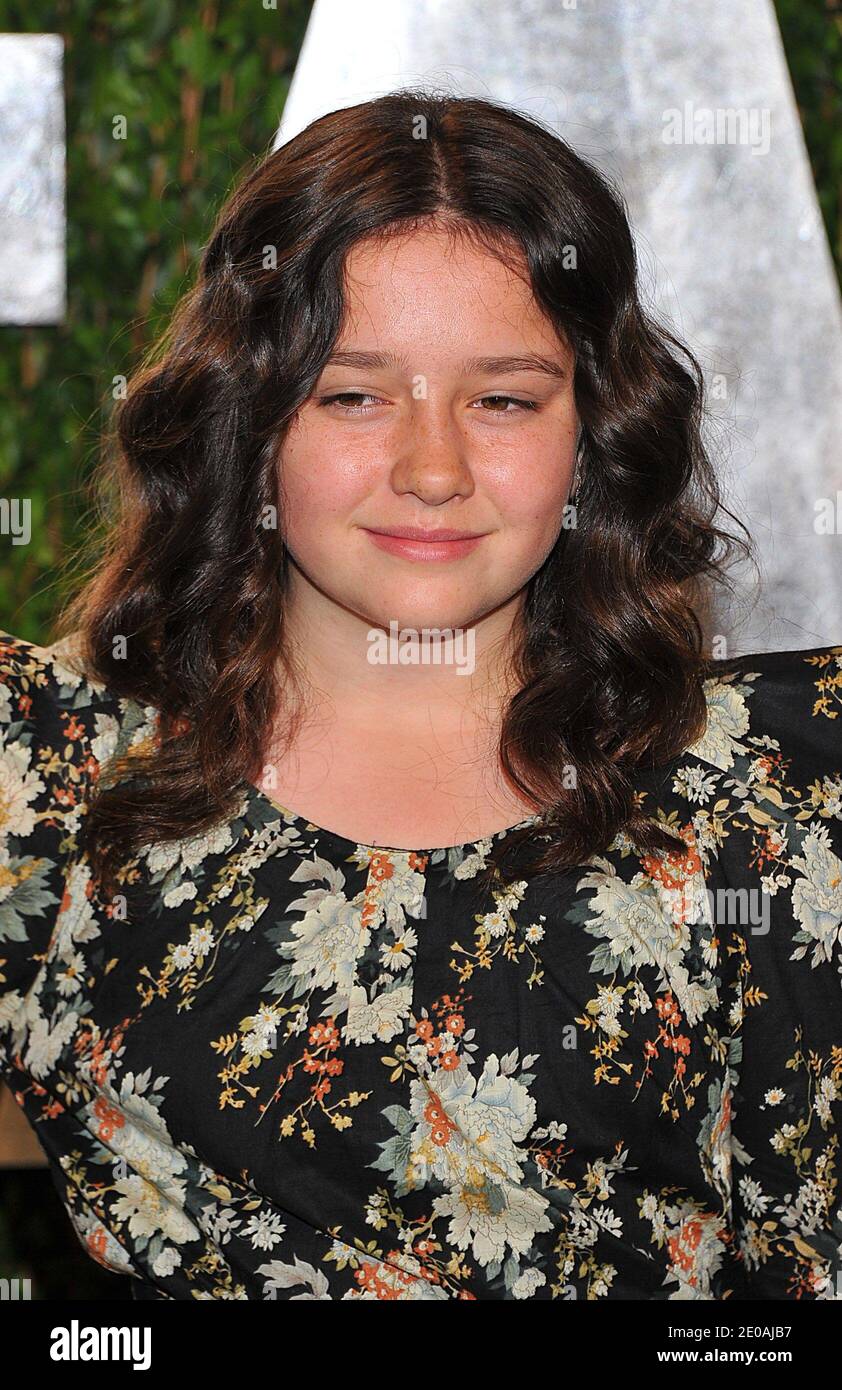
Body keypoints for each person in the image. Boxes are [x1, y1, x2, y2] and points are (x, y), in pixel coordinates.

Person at [1, 90, 840, 1303]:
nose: (432, 467)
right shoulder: (53, 769)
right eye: (353, 394)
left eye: (501, 398)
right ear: (251, 417)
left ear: (593, 431)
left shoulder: (771, 792)